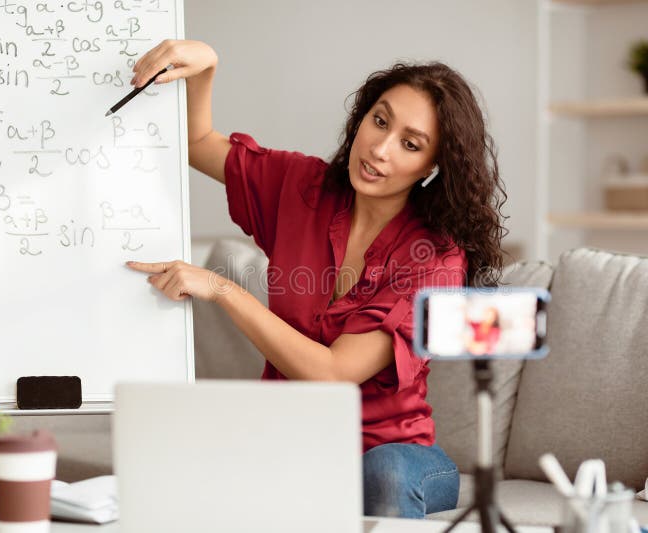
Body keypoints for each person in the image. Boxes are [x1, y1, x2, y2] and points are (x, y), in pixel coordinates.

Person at [126, 39, 506, 518]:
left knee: (384, 474)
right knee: (181, 464)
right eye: (380, 121)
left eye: (410, 144)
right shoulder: (303, 187)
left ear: (432, 166)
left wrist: (222, 289)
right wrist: (206, 70)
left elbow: (333, 374)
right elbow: (197, 144)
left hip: (392, 453)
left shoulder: (435, 258)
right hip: (288, 441)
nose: (380, 149)